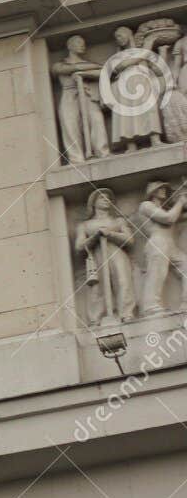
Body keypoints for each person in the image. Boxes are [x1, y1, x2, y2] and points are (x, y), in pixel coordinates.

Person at [74, 187, 137, 324]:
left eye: (108, 198)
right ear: (93, 202)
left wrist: (111, 234)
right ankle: (97, 318)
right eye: (102, 197)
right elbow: (79, 246)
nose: (106, 200)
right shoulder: (85, 225)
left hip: (117, 254)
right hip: (97, 257)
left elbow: (129, 240)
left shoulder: (118, 221)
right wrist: (95, 237)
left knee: (123, 281)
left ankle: (126, 313)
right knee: (98, 289)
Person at [50, 35, 107, 161]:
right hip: (69, 95)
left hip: (87, 94)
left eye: (83, 43)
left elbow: (103, 71)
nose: (82, 45)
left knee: (97, 120)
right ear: (69, 46)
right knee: (70, 125)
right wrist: (88, 68)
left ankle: (102, 152)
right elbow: (72, 68)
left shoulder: (88, 64)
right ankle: (76, 158)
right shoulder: (59, 65)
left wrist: (84, 74)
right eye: (78, 43)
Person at [137, 181, 187, 317]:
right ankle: (151, 306)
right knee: (157, 273)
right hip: (157, 242)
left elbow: (179, 215)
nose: (164, 190)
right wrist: (180, 201)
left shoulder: (165, 208)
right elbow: (169, 218)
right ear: (152, 192)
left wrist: (183, 197)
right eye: (160, 188)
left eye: (165, 188)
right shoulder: (146, 205)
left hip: (170, 244)